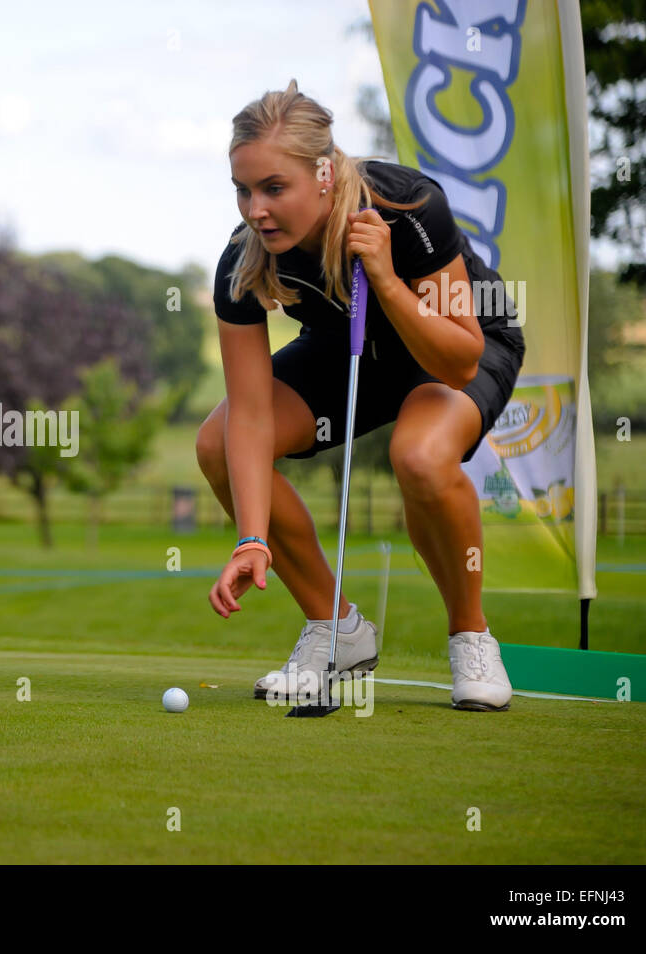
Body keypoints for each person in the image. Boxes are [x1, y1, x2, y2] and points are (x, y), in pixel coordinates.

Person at [196, 80, 525, 712]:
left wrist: (385, 278)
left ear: (324, 175)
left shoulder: (407, 206)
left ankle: (471, 635)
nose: (254, 210)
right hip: (349, 353)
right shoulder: (243, 262)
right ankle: (336, 629)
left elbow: (458, 361)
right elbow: (251, 417)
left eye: (273, 189)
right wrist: (251, 538)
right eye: (243, 189)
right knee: (216, 440)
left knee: (421, 457)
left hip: (455, 344)